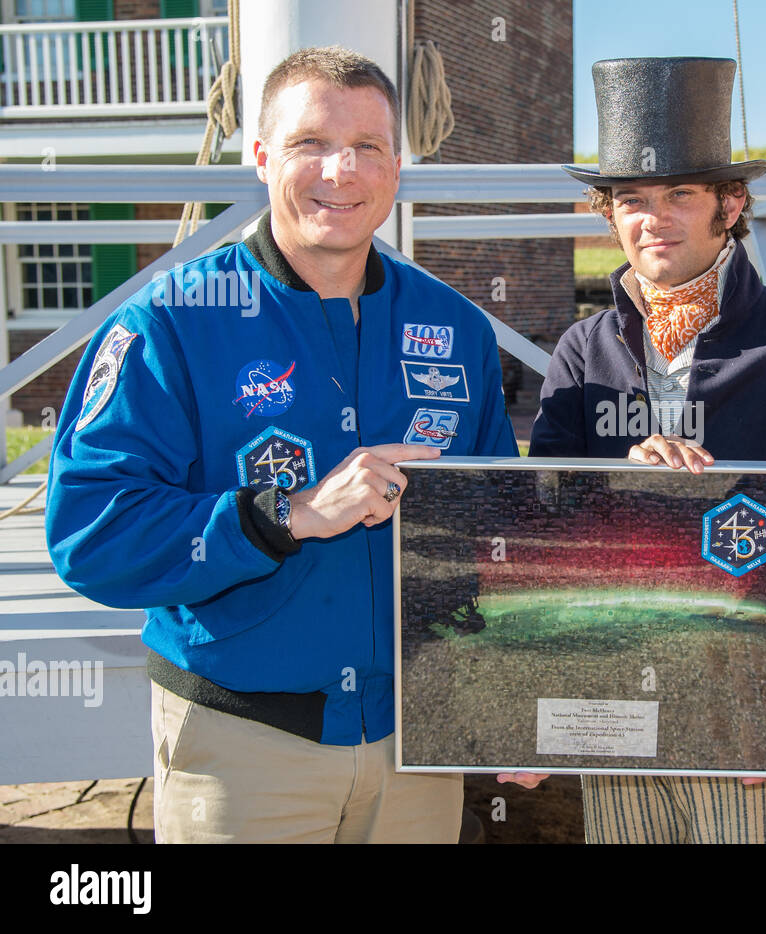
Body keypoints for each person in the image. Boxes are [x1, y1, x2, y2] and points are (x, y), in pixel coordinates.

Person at [46, 46, 517, 843]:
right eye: (310, 144)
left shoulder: (458, 328)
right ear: (261, 156)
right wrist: (284, 516)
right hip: (245, 749)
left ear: (396, 168)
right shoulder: (172, 322)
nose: (342, 169)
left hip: (417, 748)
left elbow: (502, 537)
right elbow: (91, 534)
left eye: (368, 147)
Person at [504, 57, 766, 844]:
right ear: (608, 215)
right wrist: (616, 481)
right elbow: (541, 523)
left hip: (744, 699)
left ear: (732, 204)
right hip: (613, 690)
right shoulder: (581, 352)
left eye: (681, 194)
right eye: (633, 201)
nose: (655, 218)